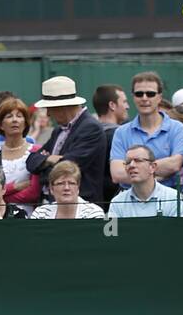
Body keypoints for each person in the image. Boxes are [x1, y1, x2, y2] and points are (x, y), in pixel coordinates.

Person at [23, 76, 108, 205]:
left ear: (63, 107)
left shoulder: (91, 128)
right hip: (53, 206)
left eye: (49, 108)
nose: (48, 114)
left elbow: (65, 169)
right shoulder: (58, 130)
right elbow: (31, 162)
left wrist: (44, 168)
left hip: (80, 209)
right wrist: (49, 159)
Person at [110, 71, 183, 190]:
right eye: (139, 94)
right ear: (133, 97)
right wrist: (158, 173)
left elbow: (174, 165)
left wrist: (134, 170)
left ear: (160, 97)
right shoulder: (121, 132)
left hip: (167, 201)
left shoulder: (177, 128)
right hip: (130, 202)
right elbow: (117, 174)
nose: (144, 98)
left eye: (150, 94)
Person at [0, 97, 41, 214]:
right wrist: (16, 186)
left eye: (19, 116)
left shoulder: (35, 151)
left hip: (27, 219)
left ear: (25, 123)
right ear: (1, 125)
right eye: (9, 116)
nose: (15, 120)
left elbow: (33, 193)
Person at [109, 145, 183, 217]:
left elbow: (178, 232)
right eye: (128, 162)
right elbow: (115, 233)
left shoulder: (175, 199)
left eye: (138, 160)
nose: (131, 165)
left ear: (153, 167)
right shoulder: (117, 202)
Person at [30, 160, 105, 219]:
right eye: (60, 183)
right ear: (51, 189)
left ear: (78, 187)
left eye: (71, 183)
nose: (66, 188)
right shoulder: (40, 213)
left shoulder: (93, 213)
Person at [93, 84, 129, 204]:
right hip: (113, 205)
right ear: (112, 105)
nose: (127, 107)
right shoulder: (117, 135)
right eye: (124, 102)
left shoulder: (87, 134)